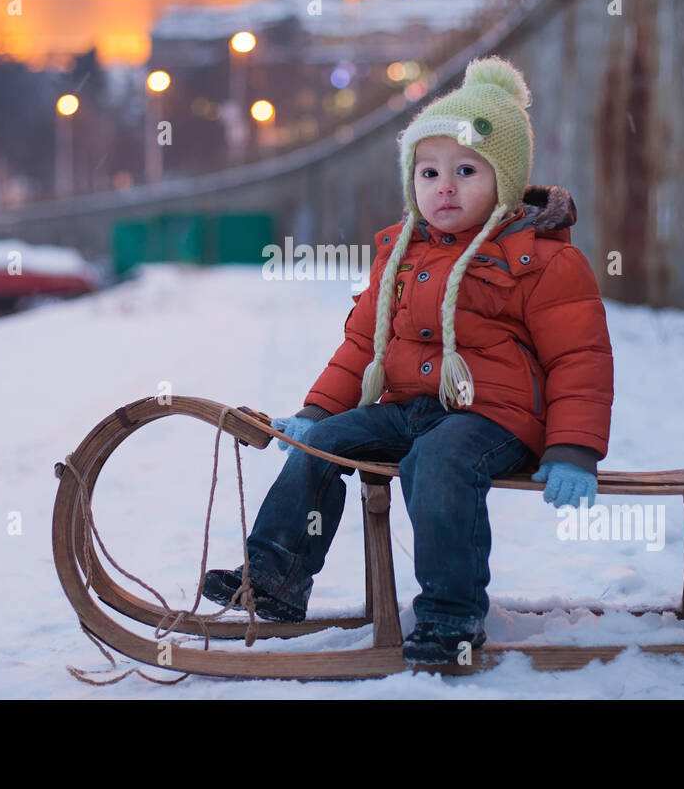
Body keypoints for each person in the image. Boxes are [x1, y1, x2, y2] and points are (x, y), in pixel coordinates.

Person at [203, 54, 614, 664]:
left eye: (466, 170)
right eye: (428, 172)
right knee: (326, 446)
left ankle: (451, 615)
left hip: (493, 419)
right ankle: (276, 578)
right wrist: (318, 411)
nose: (443, 188)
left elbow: (580, 356)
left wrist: (574, 450)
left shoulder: (543, 259)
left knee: (439, 459)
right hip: (406, 408)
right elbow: (362, 344)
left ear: (503, 178)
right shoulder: (400, 255)